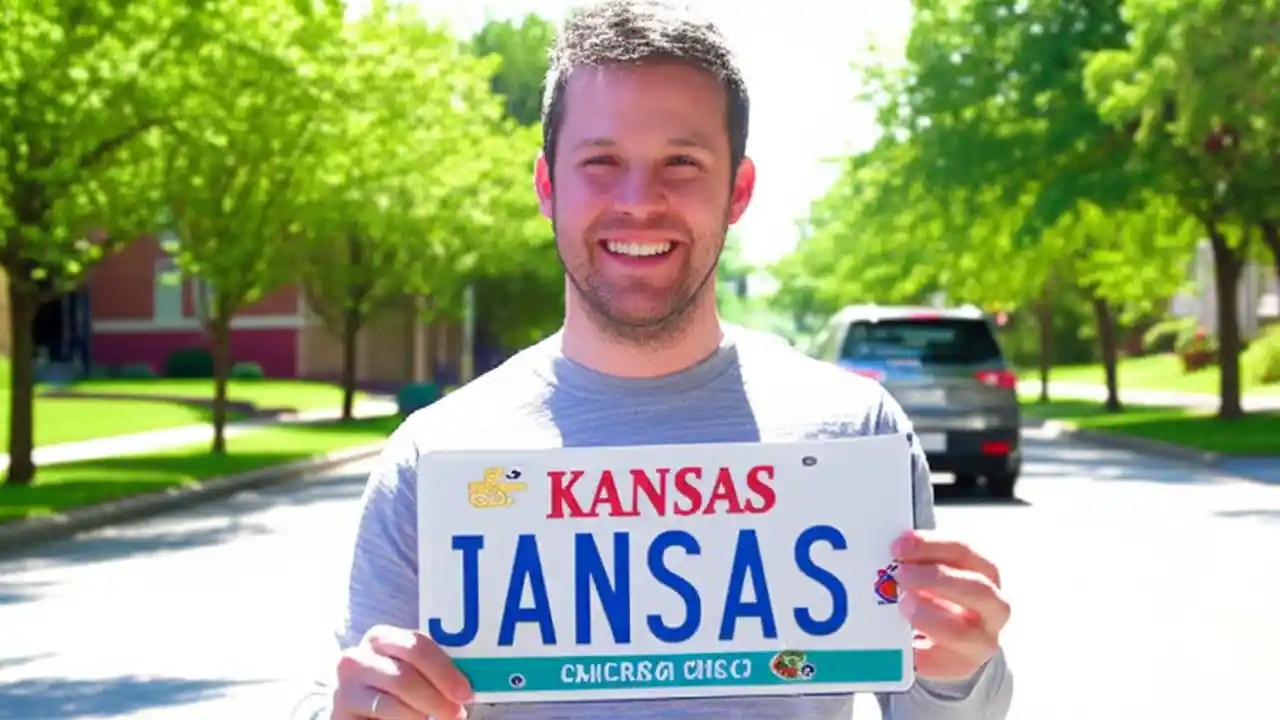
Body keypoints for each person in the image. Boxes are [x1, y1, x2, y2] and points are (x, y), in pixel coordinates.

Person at [291, 1, 1013, 718]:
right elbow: (346, 697)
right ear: (546, 186)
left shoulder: (854, 434)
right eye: (601, 161)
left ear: (738, 191)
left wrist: (961, 670)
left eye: (682, 162)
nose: (640, 201)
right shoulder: (438, 457)